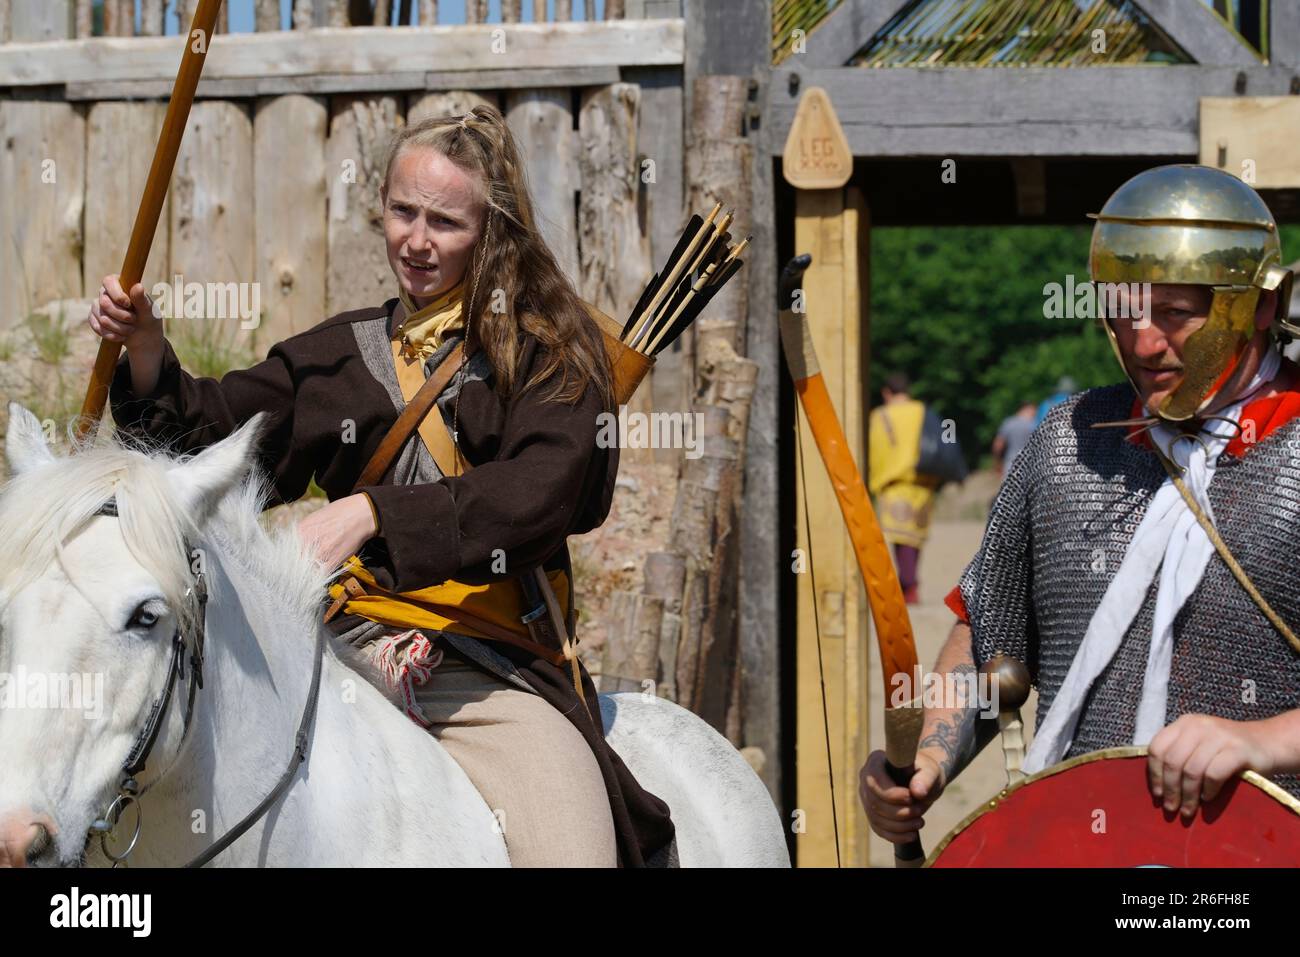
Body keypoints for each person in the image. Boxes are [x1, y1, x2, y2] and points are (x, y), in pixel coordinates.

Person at [92, 105, 675, 867]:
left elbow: (543, 490)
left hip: (487, 668)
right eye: (404, 211)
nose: (418, 240)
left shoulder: (553, 356)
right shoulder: (338, 357)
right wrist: (146, 351)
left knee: (574, 854)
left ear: (490, 231)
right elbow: (210, 447)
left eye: (446, 222)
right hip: (335, 644)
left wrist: (374, 513)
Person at [860, 165, 1300, 849]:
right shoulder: (1070, 441)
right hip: (1077, 843)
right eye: (1126, 309)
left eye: (1178, 313)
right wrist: (927, 759)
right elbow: (993, 643)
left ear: (1261, 306)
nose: (1144, 341)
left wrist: (1261, 739)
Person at [868, 372, 939, 604]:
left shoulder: (880, 415)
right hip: (923, 482)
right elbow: (945, 435)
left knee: (901, 538)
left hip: (894, 484)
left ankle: (909, 585)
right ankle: (909, 582)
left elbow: (876, 449)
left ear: (887, 393)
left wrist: (875, 479)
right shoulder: (923, 411)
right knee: (915, 538)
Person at [991, 401, 1035, 479]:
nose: (1034, 414)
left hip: (1010, 463)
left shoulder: (1008, 423)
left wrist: (997, 462)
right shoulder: (1033, 425)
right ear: (1026, 409)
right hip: (1029, 465)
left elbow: (998, 445)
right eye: (1033, 411)